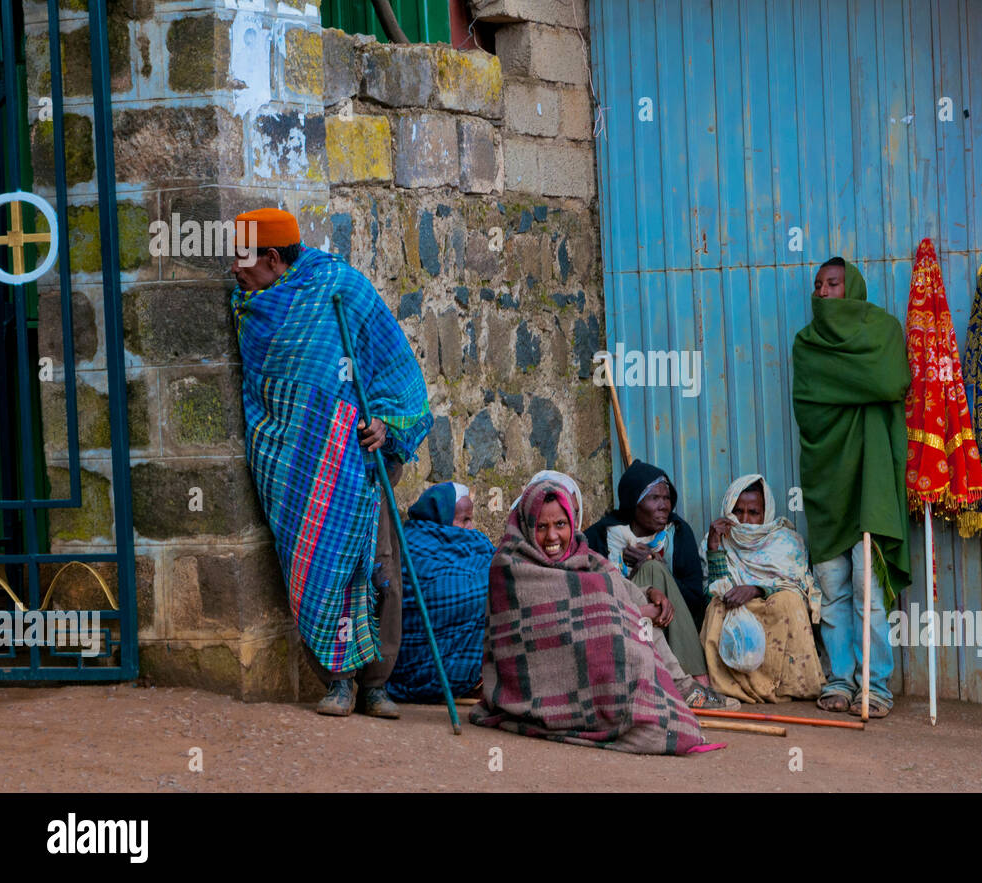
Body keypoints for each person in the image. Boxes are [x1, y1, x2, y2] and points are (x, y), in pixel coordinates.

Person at [231, 207, 432, 719]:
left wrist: (385, 426)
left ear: (273, 258)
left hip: (362, 464)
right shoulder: (252, 309)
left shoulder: (341, 290)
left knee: (378, 569)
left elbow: (398, 372)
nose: (234, 269)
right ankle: (337, 680)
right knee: (314, 566)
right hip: (298, 469)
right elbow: (270, 397)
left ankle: (377, 685)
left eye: (242, 258)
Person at [470, 479, 727, 754]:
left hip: (592, 675)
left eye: (560, 525)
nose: (552, 537)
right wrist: (626, 616)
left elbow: (609, 596)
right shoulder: (509, 566)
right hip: (537, 691)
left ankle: (671, 687)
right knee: (622, 639)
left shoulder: (588, 559)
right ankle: (645, 700)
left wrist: (645, 596)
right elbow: (550, 627)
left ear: (572, 523)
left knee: (632, 605)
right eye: (541, 527)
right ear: (526, 526)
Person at [792, 257, 911, 718]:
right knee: (832, 587)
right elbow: (810, 401)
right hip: (826, 476)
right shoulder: (806, 344)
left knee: (868, 587)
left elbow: (891, 381)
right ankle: (839, 678)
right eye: (818, 285)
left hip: (870, 479)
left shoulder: (882, 332)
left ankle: (875, 685)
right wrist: (859, 387)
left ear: (852, 287)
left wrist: (849, 385)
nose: (823, 292)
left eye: (833, 284)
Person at [584, 459, 721, 694]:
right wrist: (638, 585)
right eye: (654, 498)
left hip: (671, 625)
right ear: (633, 502)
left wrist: (659, 569)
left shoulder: (677, 533)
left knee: (654, 568)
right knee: (650, 571)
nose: (664, 506)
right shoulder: (600, 536)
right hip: (623, 622)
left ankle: (695, 679)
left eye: (667, 498)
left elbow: (695, 599)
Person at [698, 475, 824, 703]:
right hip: (735, 614)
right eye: (738, 511)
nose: (745, 520)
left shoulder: (787, 542)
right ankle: (732, 687)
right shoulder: (716, 540)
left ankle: (788, 685)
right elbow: (712, 592)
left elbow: (799, 591)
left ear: (766, 513)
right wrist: (714, 549)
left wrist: (757, 589)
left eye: (753, 513)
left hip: (770, 608)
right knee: (716, 607)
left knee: (789, 601)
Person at [386, 482, 492, 703]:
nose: (471, 528)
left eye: (471, 519)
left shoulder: (473, 546)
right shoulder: (409, 548)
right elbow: (442, 594)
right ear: (440, 516)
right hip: (409, 667)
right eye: (464, 520)